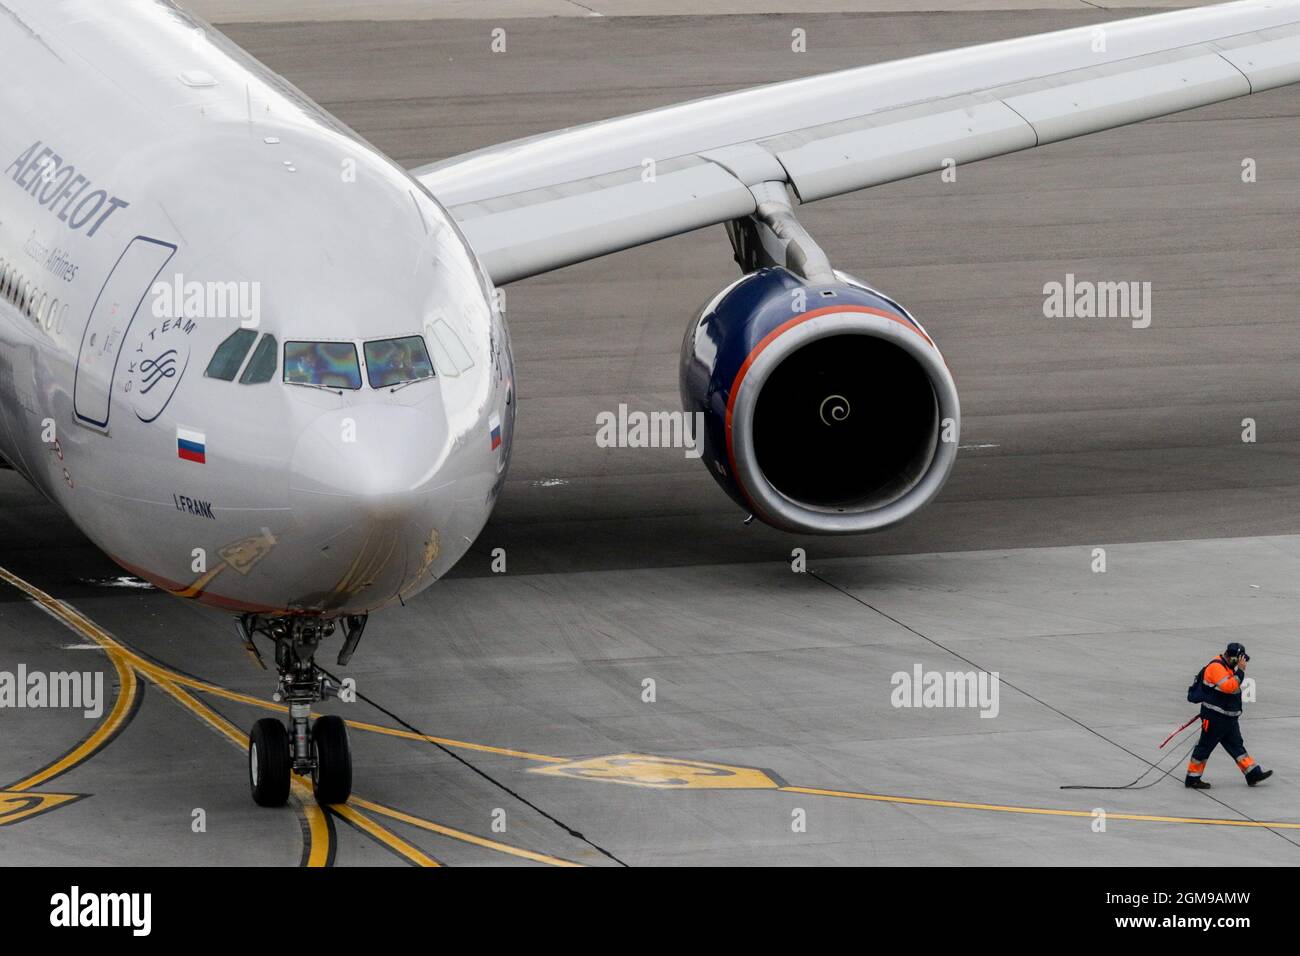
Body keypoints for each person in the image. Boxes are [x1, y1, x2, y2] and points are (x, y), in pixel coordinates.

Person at [1186, 642, 1272, 789]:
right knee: (1205, 747)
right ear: (1233, 658)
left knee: (1236, 745)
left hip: (1228, 718)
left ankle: (1252, 773)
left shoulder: (1228, 667)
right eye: (1239, 660)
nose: (1241, 663)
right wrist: (1241, 671)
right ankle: (1192, 778)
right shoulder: (1216, 667)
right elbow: (1229, 687)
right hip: (1215, 717)